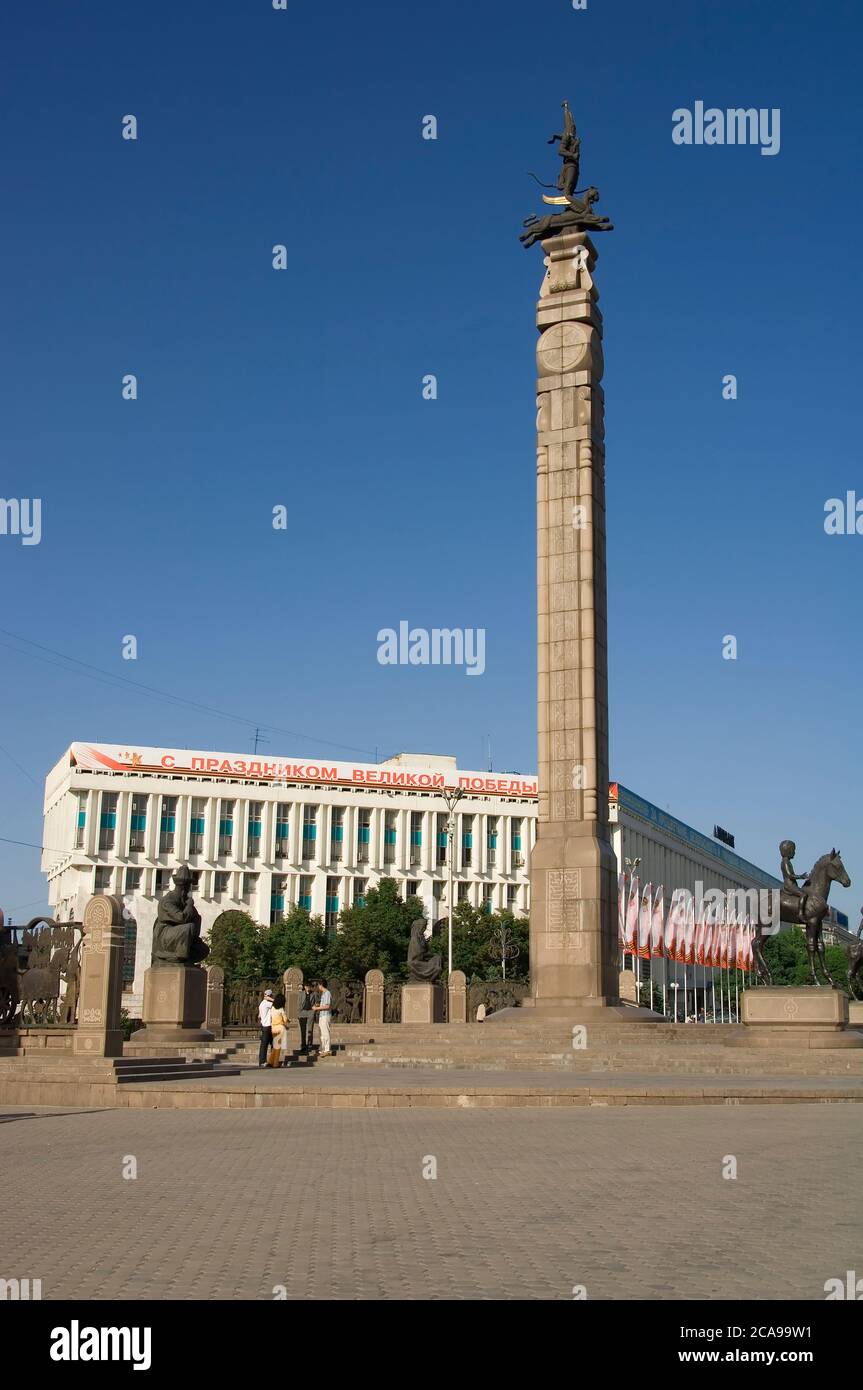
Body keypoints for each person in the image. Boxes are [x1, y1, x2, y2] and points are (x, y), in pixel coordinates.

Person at [314, 978, 333, 1058]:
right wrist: (318, 1006)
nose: (318, 987)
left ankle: (327, 1050)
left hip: (325, 1015)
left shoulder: (327, 993)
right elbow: (324, 1005)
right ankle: (323, 1049)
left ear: (321, 985)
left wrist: (317, 1008)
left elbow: (328, 1006)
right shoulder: (323, 994)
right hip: (322, 1015)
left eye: (318, 985)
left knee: (325, 1032)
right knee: (322, 1033)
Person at [269, 992, 289, 1068]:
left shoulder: (272, 1008)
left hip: (273, 1028)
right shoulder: (281, 1009)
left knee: (275, 1046)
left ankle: (270, 1061)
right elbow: (285, 1019)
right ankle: (275, 1063)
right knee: (278, 1047)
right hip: (280, 1029)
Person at [298, 980, 315, 1055]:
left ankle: (310, 1045)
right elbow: (298, 1004)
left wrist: (313, 1011)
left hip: (310, 1012)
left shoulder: (313, 994)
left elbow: (314, 1003)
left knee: (310, 1029)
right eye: (307, 986)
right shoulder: (301, 994)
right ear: (304, 987)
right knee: (303, 1030)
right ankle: (303, 1045)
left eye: (309, 987)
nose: (308, 988)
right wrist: (298, 1013)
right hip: (302, 1012)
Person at [258, 987, 274, 1068]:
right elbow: (277, 1004)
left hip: (264, 1026)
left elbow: (259, 1015)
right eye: (271, 995)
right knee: (266, 1044)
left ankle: (265, 1061)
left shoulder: (261, 1003)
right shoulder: (267, 1003)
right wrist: (271, 999)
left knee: (266, 1044)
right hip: (267, 1026)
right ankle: (263, 1061)